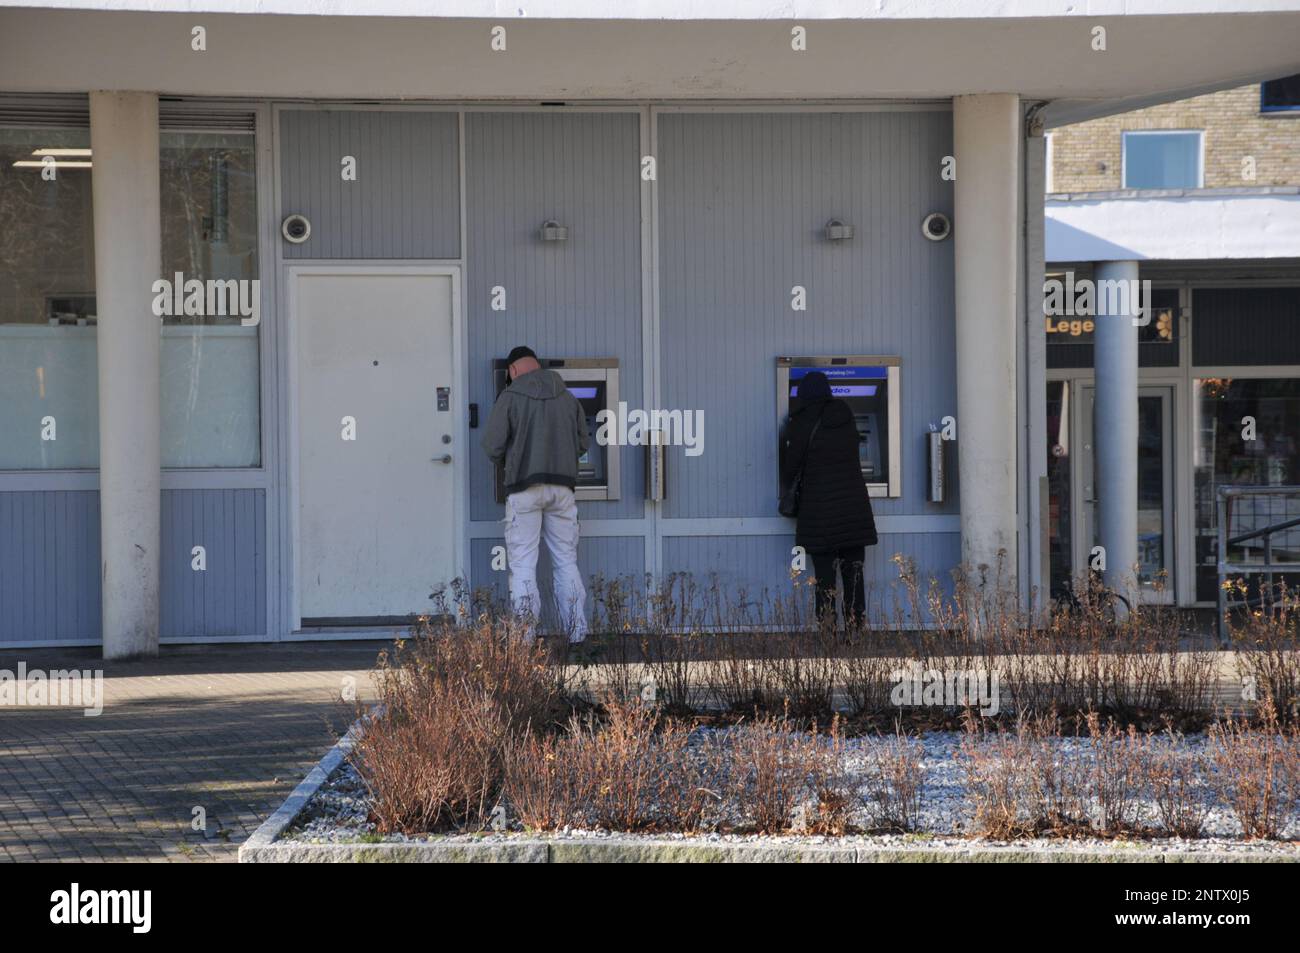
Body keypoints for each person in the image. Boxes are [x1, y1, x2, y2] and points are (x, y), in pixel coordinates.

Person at [481, 345, 590, 642]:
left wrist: (515, 458)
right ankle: (577, 634)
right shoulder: (567, 397)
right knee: (566, 561)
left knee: (524, 564)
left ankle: (524, 638)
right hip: (562, 489)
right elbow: (583, 442)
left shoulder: (510, 396)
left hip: (524, 489)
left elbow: (492, 446)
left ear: (513, 371)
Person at [780, 370, 878, 627]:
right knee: (854, 577)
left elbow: (789, 469)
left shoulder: (800, 422)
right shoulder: (845, 416)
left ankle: (828, 639)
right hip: (854, 511)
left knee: (824, 580)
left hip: (820, 513)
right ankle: (856, 634)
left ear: (803, 396)